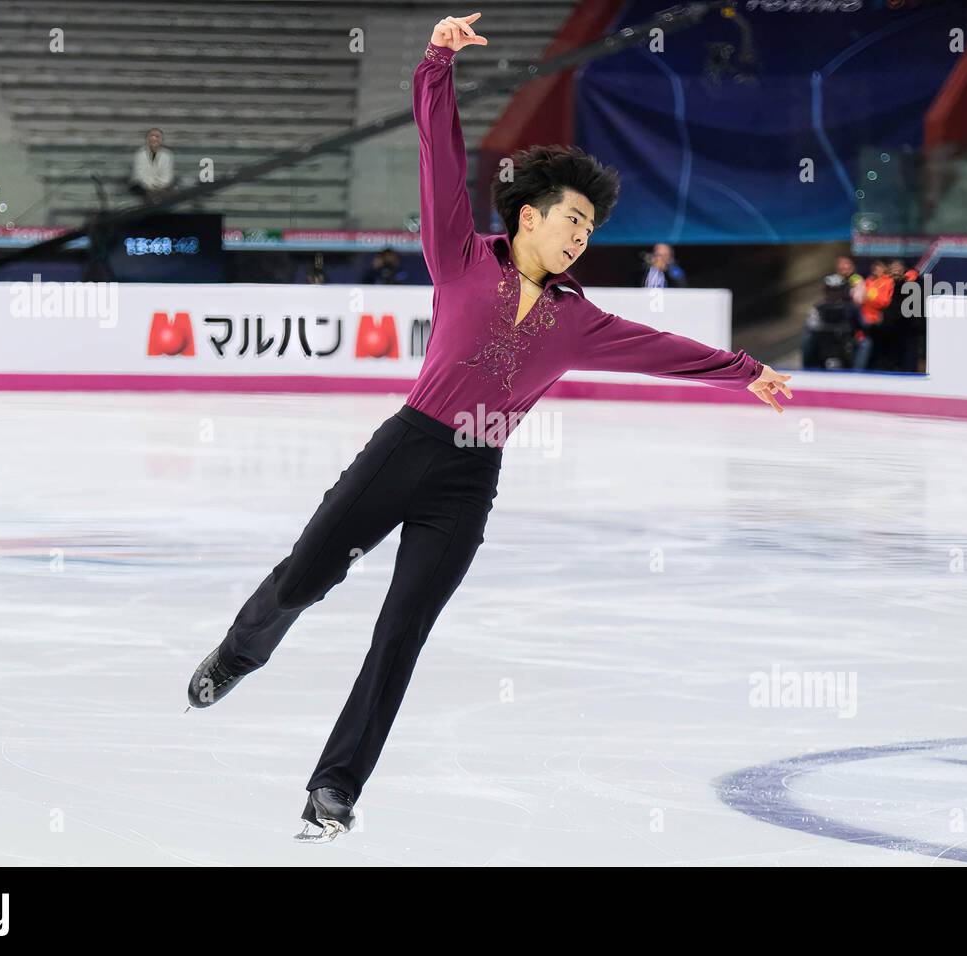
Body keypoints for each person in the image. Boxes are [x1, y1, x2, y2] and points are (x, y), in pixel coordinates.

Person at [185, 12, 793, 842]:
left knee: (399, 637)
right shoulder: (462, 256)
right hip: (405, 446)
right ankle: (237, 656)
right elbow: (438, 156)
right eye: (570, 218)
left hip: (470, 480)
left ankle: (334, 788)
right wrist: (436, 61)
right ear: (529, 216)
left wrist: (742, 370)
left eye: (591, 227)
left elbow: (660, 350)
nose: (581, 236)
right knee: (304, 578)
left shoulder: (581, 322)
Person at [129, 127, 174, 199]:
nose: (154, 139)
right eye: (151, 136)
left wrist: (159, 187)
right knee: (141, 190)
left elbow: (167, 174)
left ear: (161, 140)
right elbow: (140, 174)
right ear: (147, 139)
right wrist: (150, 188)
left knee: (169, 192)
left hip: (161, 187)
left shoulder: (167, 155)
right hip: (142, 186)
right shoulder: (140, 154)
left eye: (157, 137)